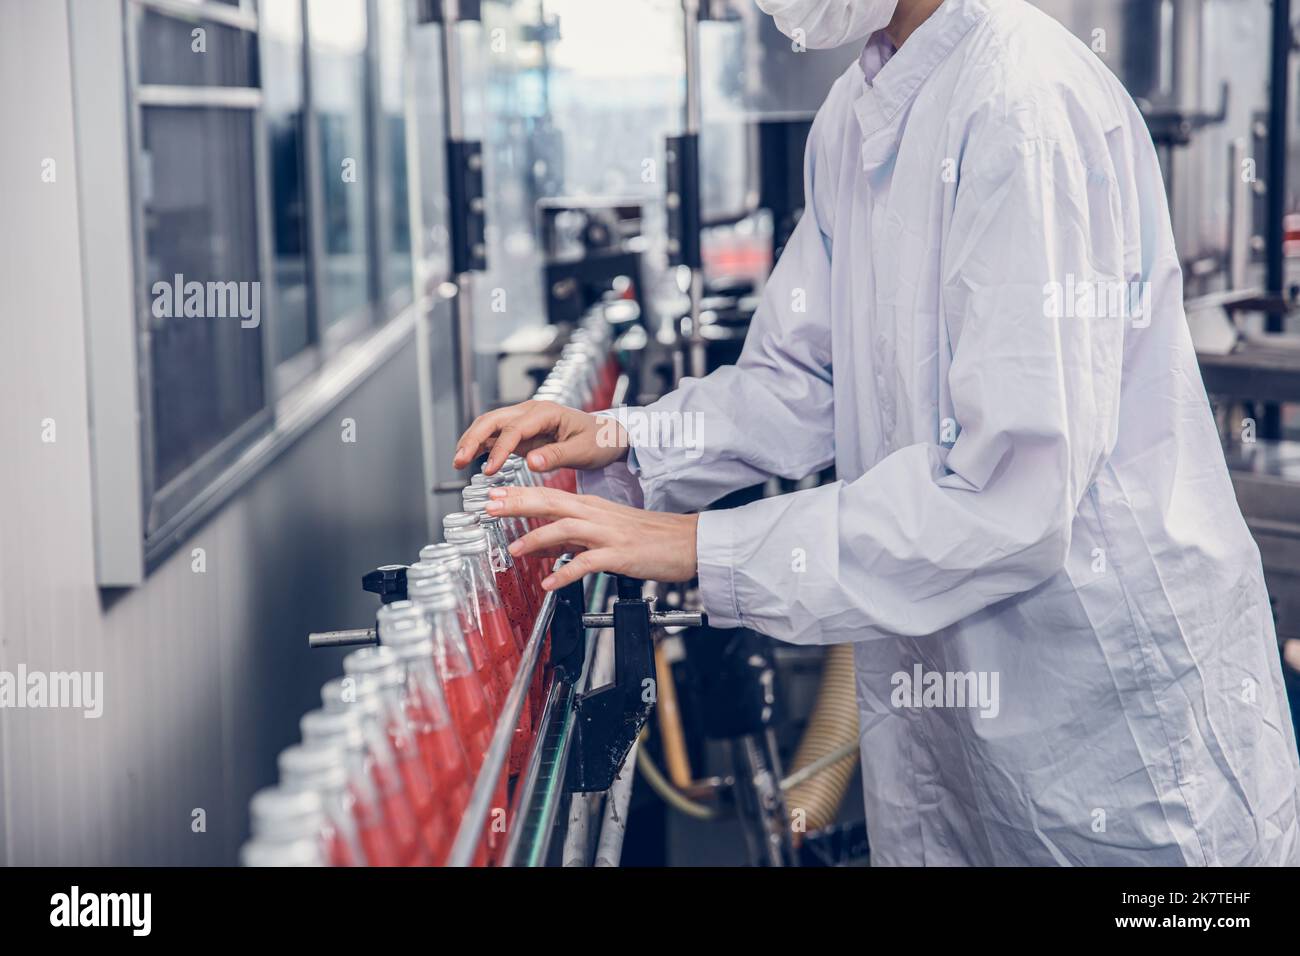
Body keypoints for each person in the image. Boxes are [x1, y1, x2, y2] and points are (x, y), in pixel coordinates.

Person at [454, 0, 1300, 865]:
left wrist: (703, 547)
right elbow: (800, 376)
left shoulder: (1023, 104)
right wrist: (621, 443)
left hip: (1109, 724)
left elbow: (1007, 497)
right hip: (962, 705)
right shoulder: (856, 113)